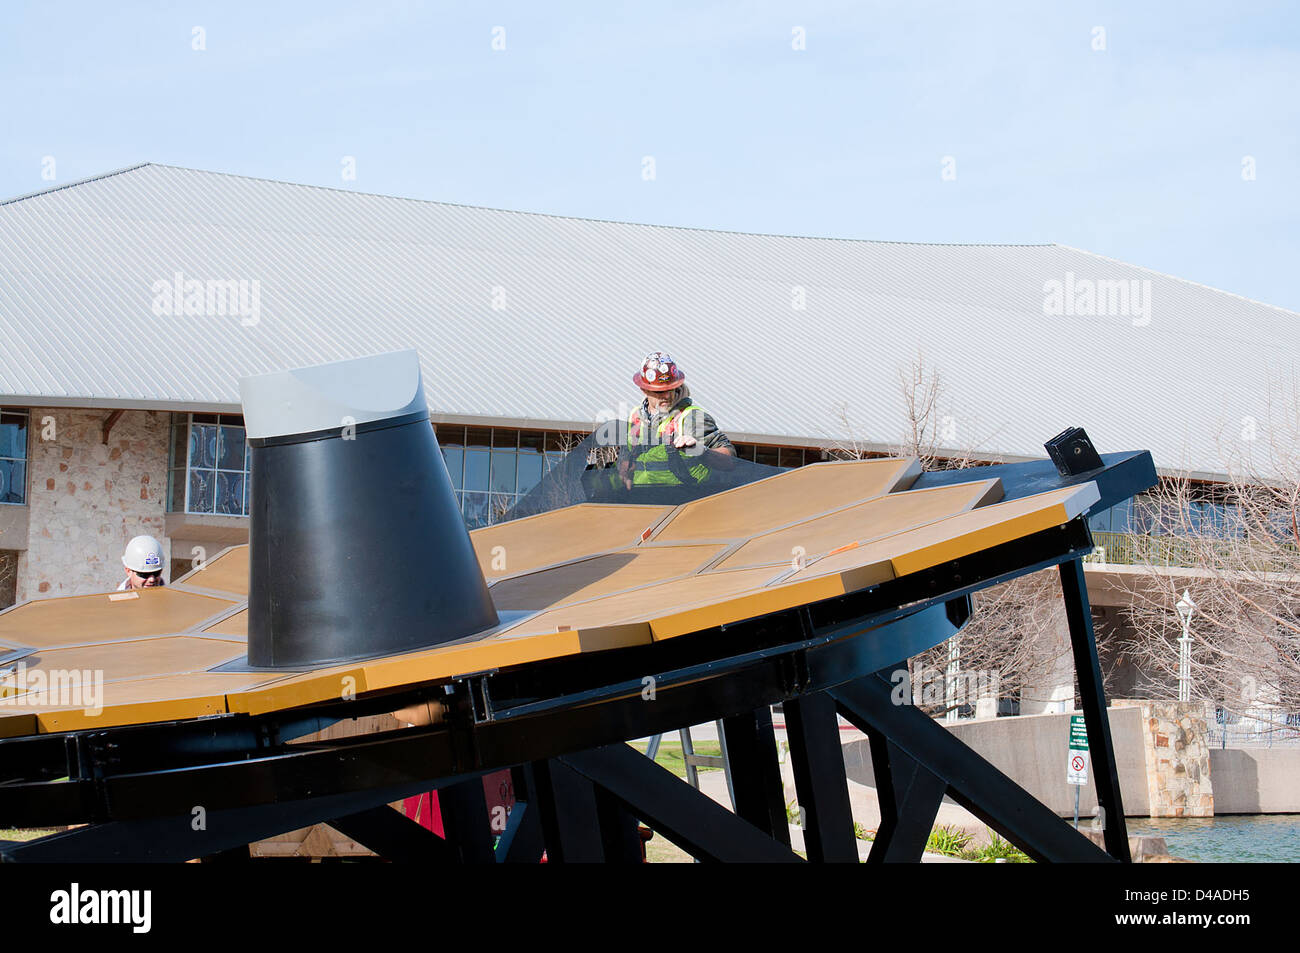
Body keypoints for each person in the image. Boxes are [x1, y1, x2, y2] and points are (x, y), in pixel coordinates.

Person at [618, 351, 735, 489]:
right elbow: (626, 457)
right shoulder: (635, 416)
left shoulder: (692, 417)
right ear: (644, 389)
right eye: (660, 391)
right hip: (643, 499)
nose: (667, 396)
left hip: (686, 500)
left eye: (671, 389)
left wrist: (700, 450)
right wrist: (624, 469)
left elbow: (730, 460)